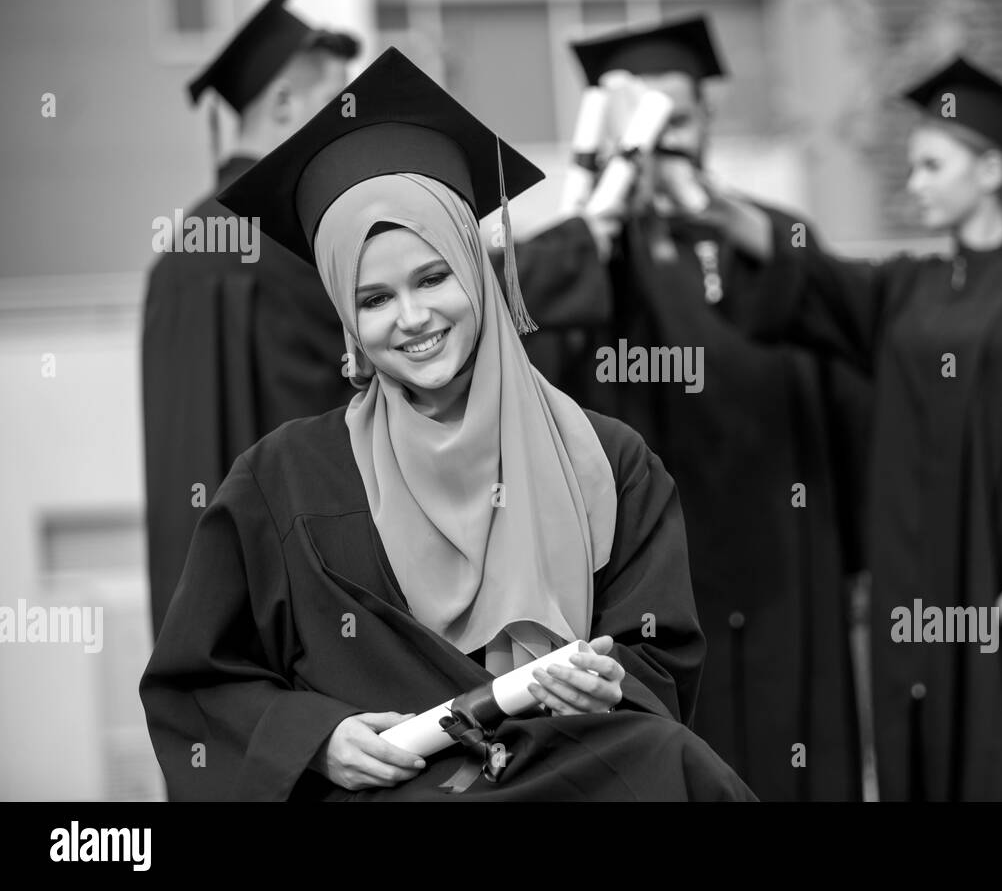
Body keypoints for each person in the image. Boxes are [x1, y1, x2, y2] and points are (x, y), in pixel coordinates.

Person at [139, 47, 755, 802]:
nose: (414, 319)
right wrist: (316, 740)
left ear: (477, 268)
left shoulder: (608, 459)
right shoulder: (284, 479)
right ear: (344, 318)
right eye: (374, 299)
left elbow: (657, 658)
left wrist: (611, 687)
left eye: (434, 277)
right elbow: (201, 682)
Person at [501, 14, 866, 801]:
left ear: (706, 125)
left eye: (682, 116)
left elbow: (844, 378)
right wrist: (603, 216)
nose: (667, 137)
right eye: (648, 119)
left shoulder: (762, 239)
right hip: (651, 568)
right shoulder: (584, 253)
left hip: (779, 557)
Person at [760, 57, 1002, 800]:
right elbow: (818, 286)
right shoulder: (910, 287)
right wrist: (709, 205)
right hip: (927, 589)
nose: (916, 186)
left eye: (932, 166)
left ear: (993, 168)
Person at [142, 0, 360, 639]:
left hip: (211, 617)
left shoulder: (183, 247)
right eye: (338, 102)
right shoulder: (290, 234)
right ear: (289, 103)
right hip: (307, 606)